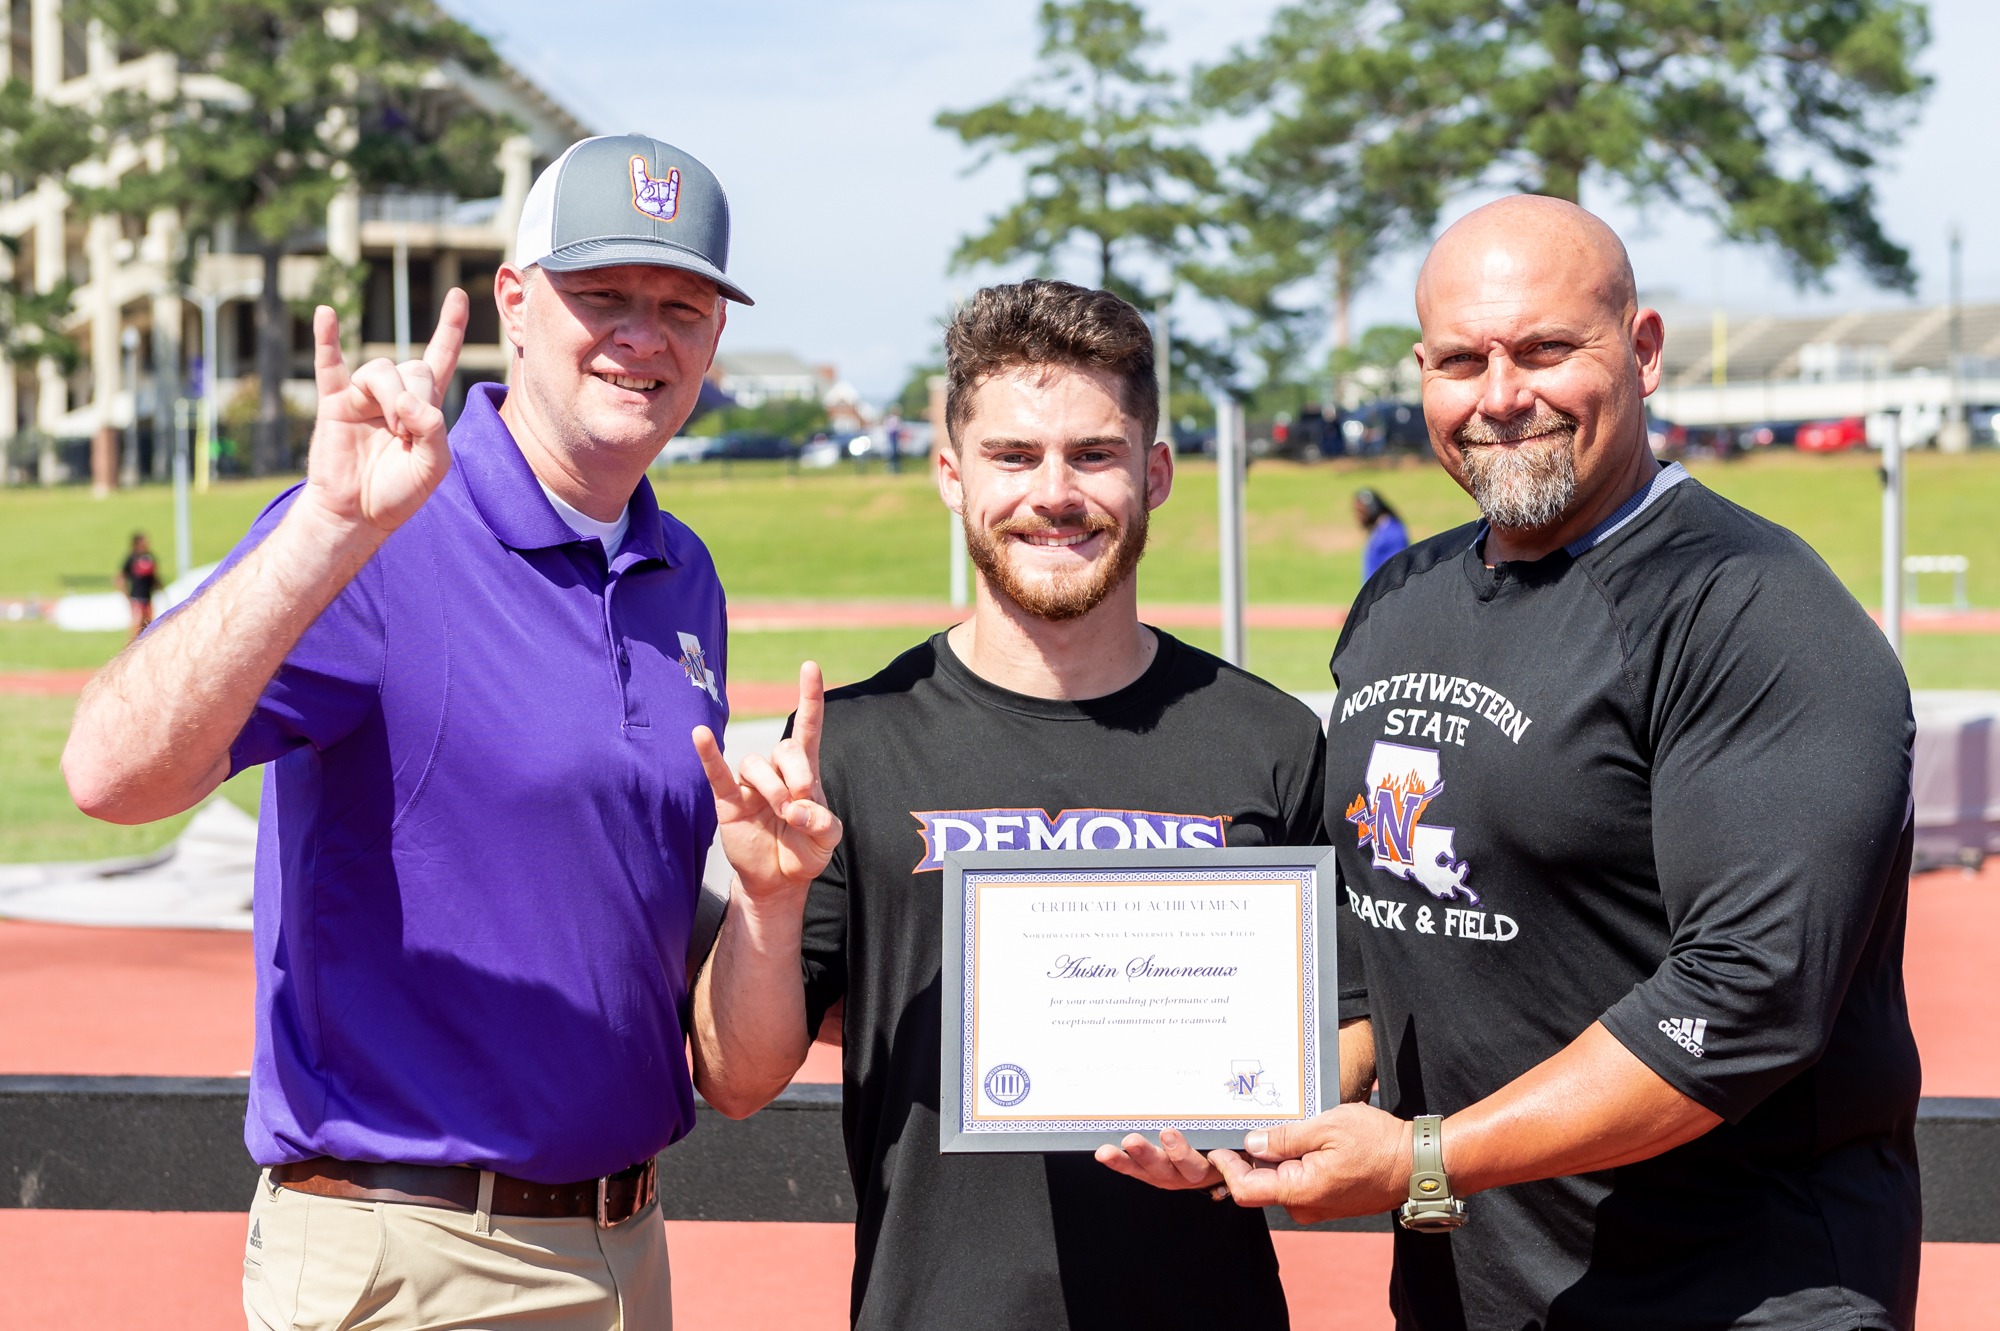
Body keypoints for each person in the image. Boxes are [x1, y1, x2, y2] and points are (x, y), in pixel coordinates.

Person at [1186, 195, 1921, 1330]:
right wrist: (1224, 1112)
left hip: (1736, 1294)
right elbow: (1399, 932)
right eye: (1458, 359)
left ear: (1640, 351)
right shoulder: (1397, 600)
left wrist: (1424, 1157)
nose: (1497, 396)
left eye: (1543, 349)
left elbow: (1742, 997)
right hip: (1474, 1295)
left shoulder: (1753, 610)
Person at [63, 133, 756, 1330]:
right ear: (515, 304)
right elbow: (109, 774)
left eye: (680, 306)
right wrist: (326, 529)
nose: (642, 335)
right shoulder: (380, 522)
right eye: (601, 296)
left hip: (628, 1246)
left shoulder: (679, 571)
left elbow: (613, 879)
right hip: (414, 1252)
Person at [688, 279, 1374, 1330]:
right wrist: (767, 907)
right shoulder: (855, 746)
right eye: (1012, 456)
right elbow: (735, 1080)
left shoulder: (1267, 739)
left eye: (1092, 454)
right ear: (950, 475)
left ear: (1154, 472)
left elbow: (1350, 1021)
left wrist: (1250, 1137)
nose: (1053, 492)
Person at [1353, 488, 1408, 582]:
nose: (1358, 517)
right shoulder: (1380, 530)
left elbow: (1397, 571)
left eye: (1360, 512)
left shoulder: (1392, 533)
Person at [120, 531, 161, 639]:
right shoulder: (132, 558)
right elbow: (120, 577)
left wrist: (160, 588)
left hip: (148, 598)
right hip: (136, 599)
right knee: (136, 628)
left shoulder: (150, 557)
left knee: (149, 627)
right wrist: (127, 596)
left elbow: (154, 577)